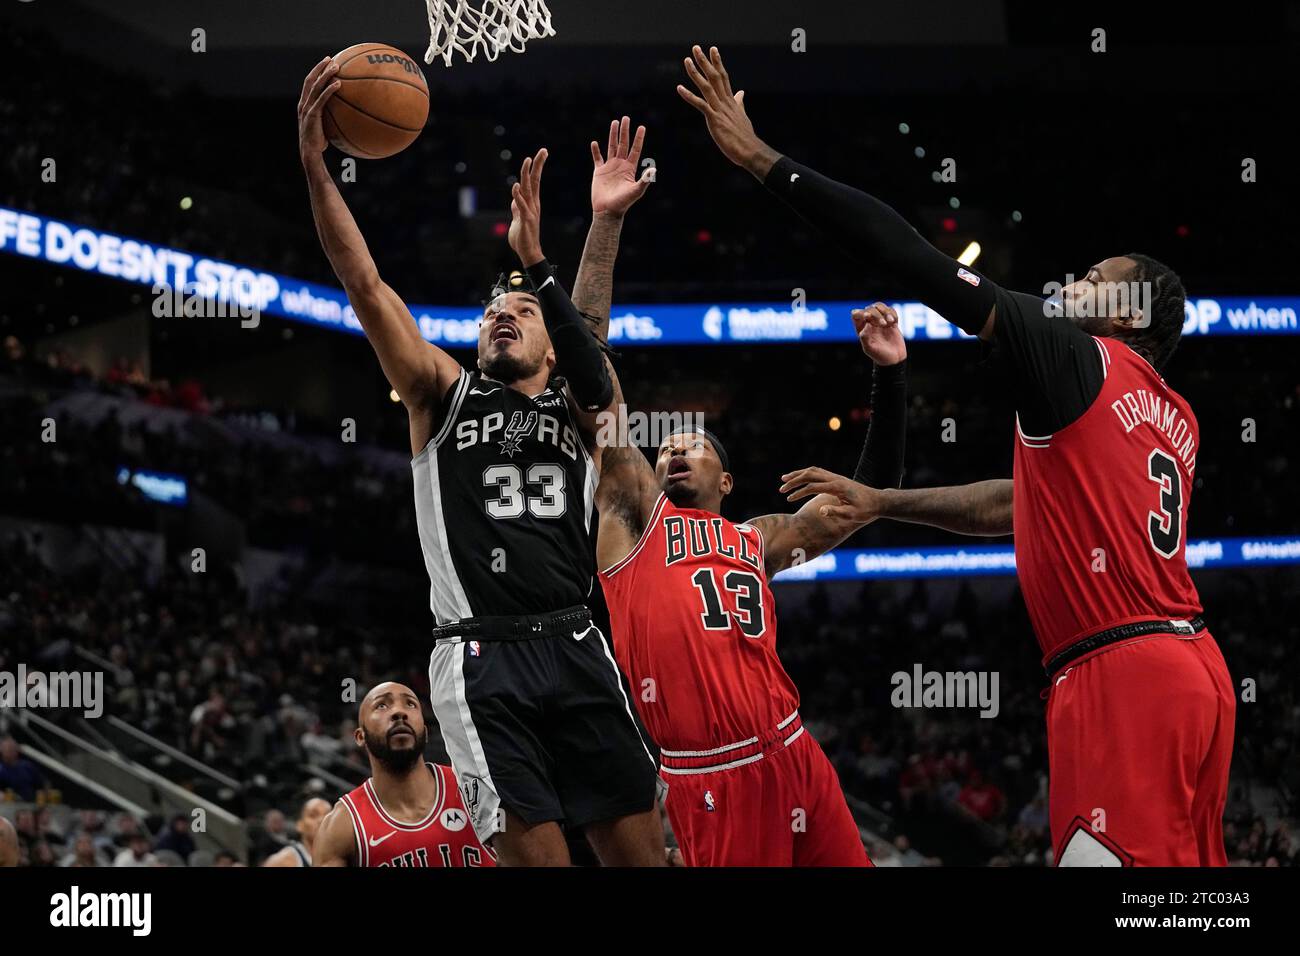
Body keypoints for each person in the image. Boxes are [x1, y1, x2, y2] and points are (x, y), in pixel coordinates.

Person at [677, 45, 1234, 866]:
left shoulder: (1078, 358)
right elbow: (1022, 505)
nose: (1072, 281)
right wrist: (882, 502)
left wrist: (765, 161)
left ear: (1126, 312)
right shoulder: (1172, 416)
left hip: (1123, 673)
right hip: (1198, 672)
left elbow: (910, 258)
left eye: (1094, 276)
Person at [298, 58, 662, 866]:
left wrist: (601, 225)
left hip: (577, 641)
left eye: (523, 311)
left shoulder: (573, 402)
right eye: (491, 311)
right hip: (479, 658)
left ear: (549, 338)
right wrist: (317, 168)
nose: (503, 316)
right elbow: (362, 281)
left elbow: (589, 337)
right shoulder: (440, 395)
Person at [593, 301, 908, 865]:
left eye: (695, 445)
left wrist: (890, 373)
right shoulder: (634, 524)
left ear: (727, 479)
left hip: (793, 748)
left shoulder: (759, 539)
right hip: (715, 771)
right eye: (665, 447)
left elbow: (869, 496)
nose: (674, 449)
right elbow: (601, 397)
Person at [312, 683, 494, 868]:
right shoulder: (341, 827)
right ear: (360, 736)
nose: (399, 712)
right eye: (382, 705)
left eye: (410, 704)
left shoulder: (473, 789)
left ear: (425, 730)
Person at [262, 797, 332, 867]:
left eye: (328, 816)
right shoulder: (285, 860)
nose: (322, 820)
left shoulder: (339, 859)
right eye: (313, 815)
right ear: (300, 825)